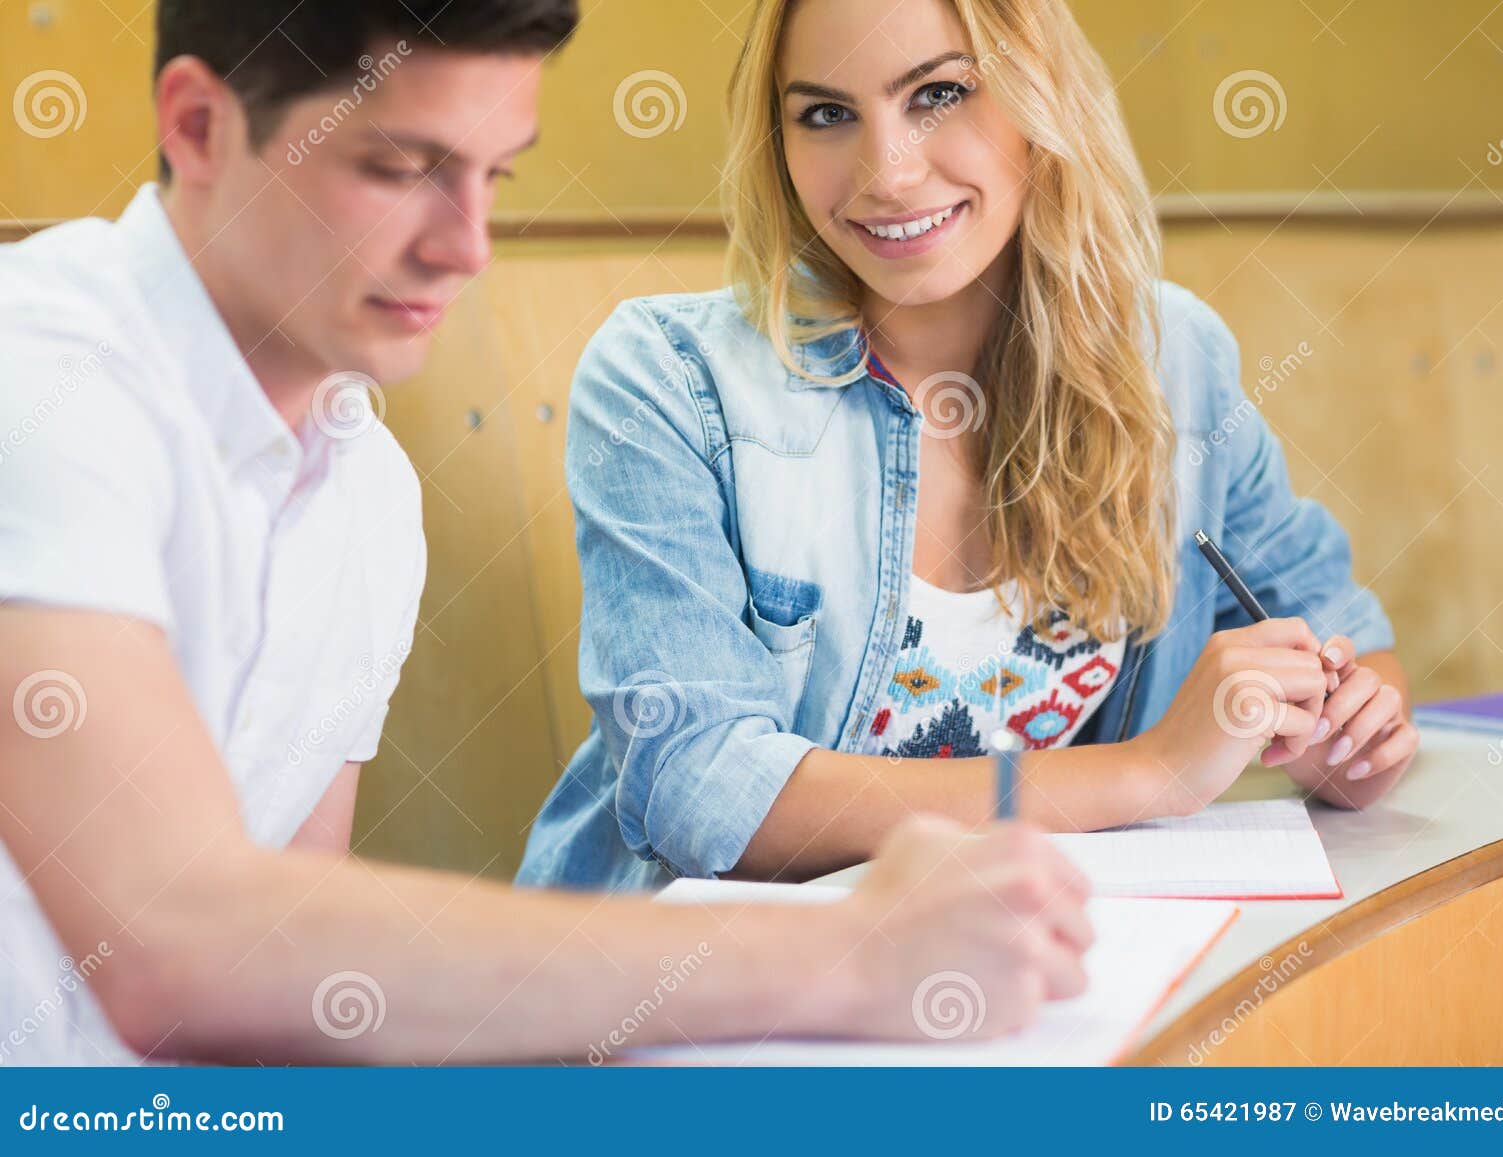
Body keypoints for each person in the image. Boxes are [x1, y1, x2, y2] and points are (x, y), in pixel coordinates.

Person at [0, 0, 1094, 1066]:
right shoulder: (40, 374)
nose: (467, 244)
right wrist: (856, 952)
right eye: (396, 169)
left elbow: (287, 991)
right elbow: (180, 947)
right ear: (196, 127)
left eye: (496, 175)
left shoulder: (363, 483)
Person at [517, 0, 1418, 892]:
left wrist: (1348, 733)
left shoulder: (1174, 361)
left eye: (939, 94)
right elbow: (697, 790)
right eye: (827, 114)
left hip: (1039, 982)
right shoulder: (668, 381)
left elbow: (1339, 631)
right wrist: (1154, 773)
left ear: (1041, 95)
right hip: (698, 1003)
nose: (890, 173)